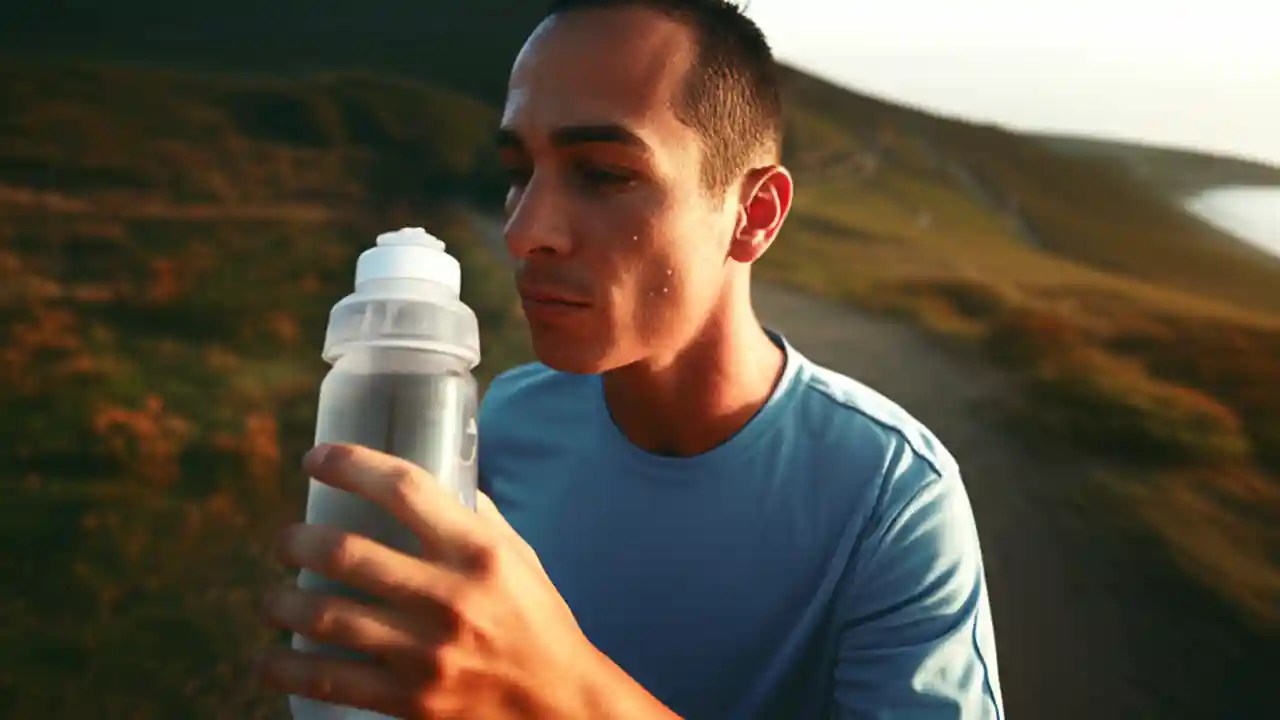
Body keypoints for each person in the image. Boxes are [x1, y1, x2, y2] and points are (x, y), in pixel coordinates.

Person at [255, 1, 1005, 717]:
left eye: (604, 174)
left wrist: (563, 695)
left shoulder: (891, 497)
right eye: (520, 171)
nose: (524, 231)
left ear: (754, 215)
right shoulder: (507, 420)